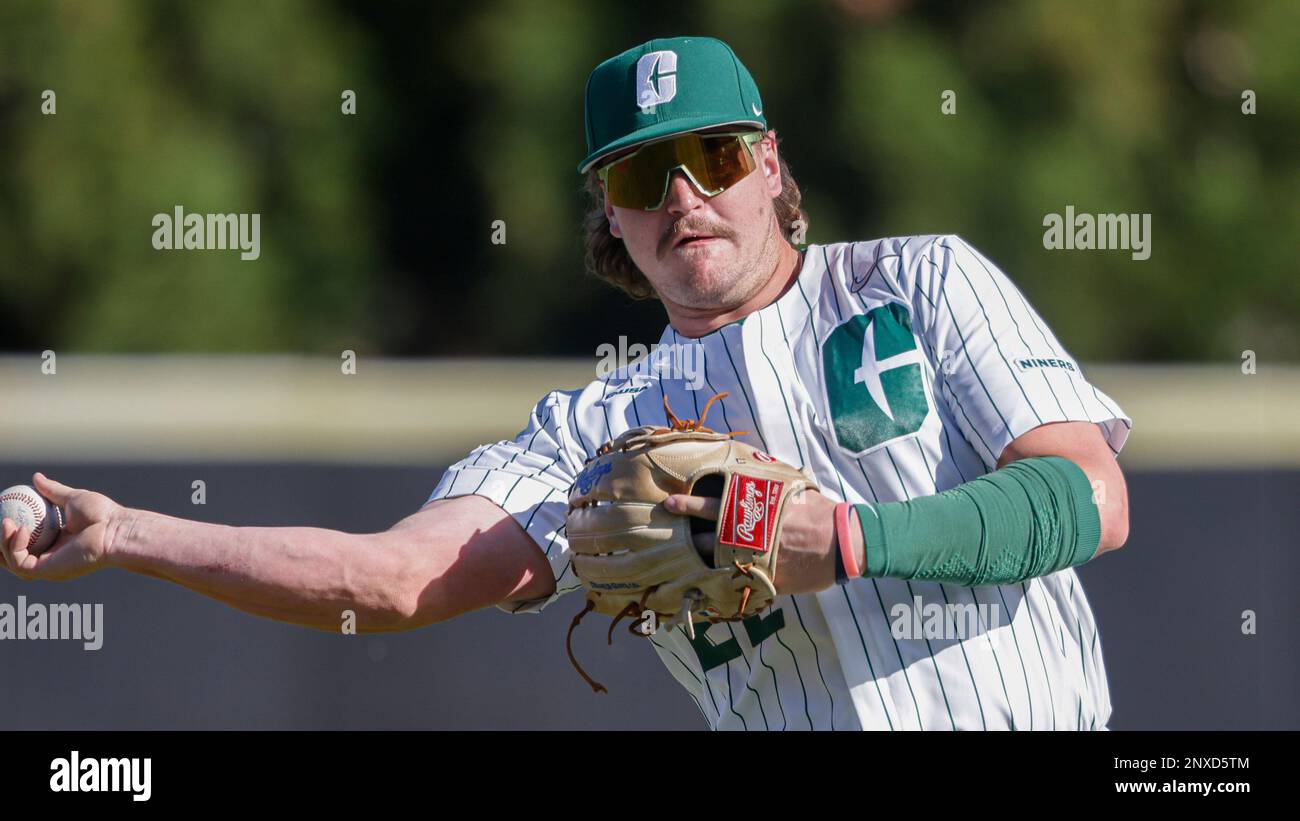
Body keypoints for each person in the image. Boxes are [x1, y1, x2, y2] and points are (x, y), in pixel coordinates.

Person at [2, 36, 1130, 730]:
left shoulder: (918, 280)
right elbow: (389, 581)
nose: (686, 193)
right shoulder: (594, 433)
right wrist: (135, 534)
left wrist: (846, 542)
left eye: (719, 156)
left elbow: (1086, 497)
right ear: (611, 214)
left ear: (772, 163)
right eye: (644, 171)